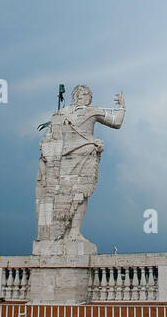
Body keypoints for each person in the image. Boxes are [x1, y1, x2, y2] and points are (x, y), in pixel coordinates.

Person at [36, 86, 124, 243]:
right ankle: (61, 234)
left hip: (85, 156)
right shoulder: (61, 114)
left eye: (86, 94)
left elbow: (116, 122)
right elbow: (50, 137)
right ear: (73, 96)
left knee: (81, 193)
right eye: (79, 93)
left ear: (90, 98)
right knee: (62, 196)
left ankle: (74, 232)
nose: (82, 96)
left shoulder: (93, 111)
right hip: (62, 160)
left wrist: (122, 107)